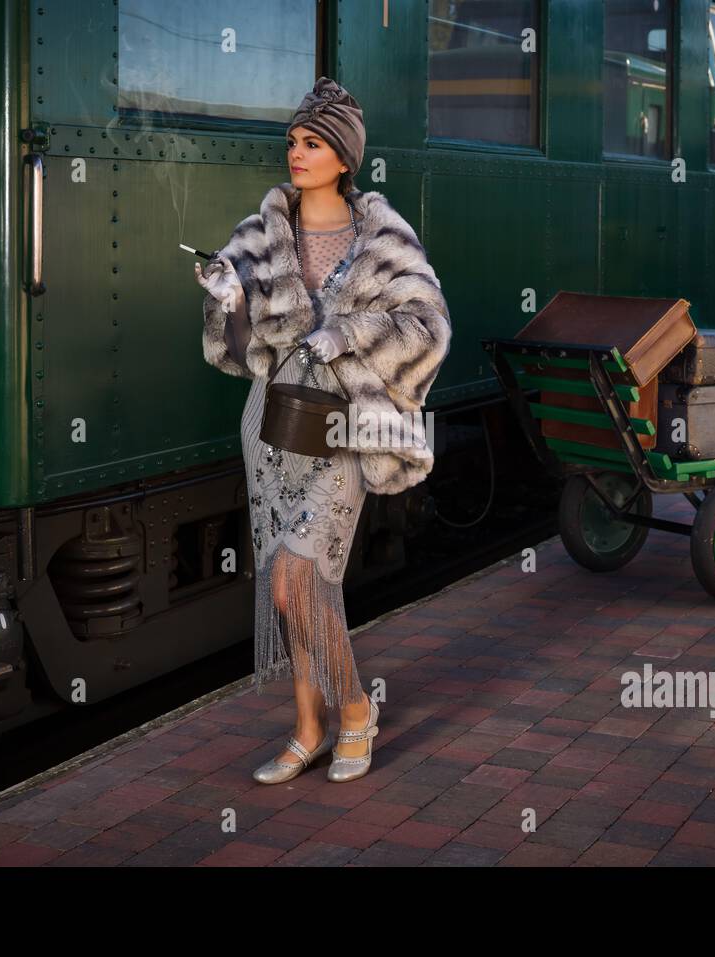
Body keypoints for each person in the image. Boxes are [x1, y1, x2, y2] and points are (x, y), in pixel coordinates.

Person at [194, 77, 452, 783]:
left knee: (295, 581)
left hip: (345, 427)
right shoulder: (257, 234)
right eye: (293, 141)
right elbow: (235, 350)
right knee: (291, 581)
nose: (296, 153)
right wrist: (227, 302)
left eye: (311, 143)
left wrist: (350, 331)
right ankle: (307, 727)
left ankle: (356, 708)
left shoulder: (384, 237)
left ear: (344, 156)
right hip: (273, 425)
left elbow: (429, 329)